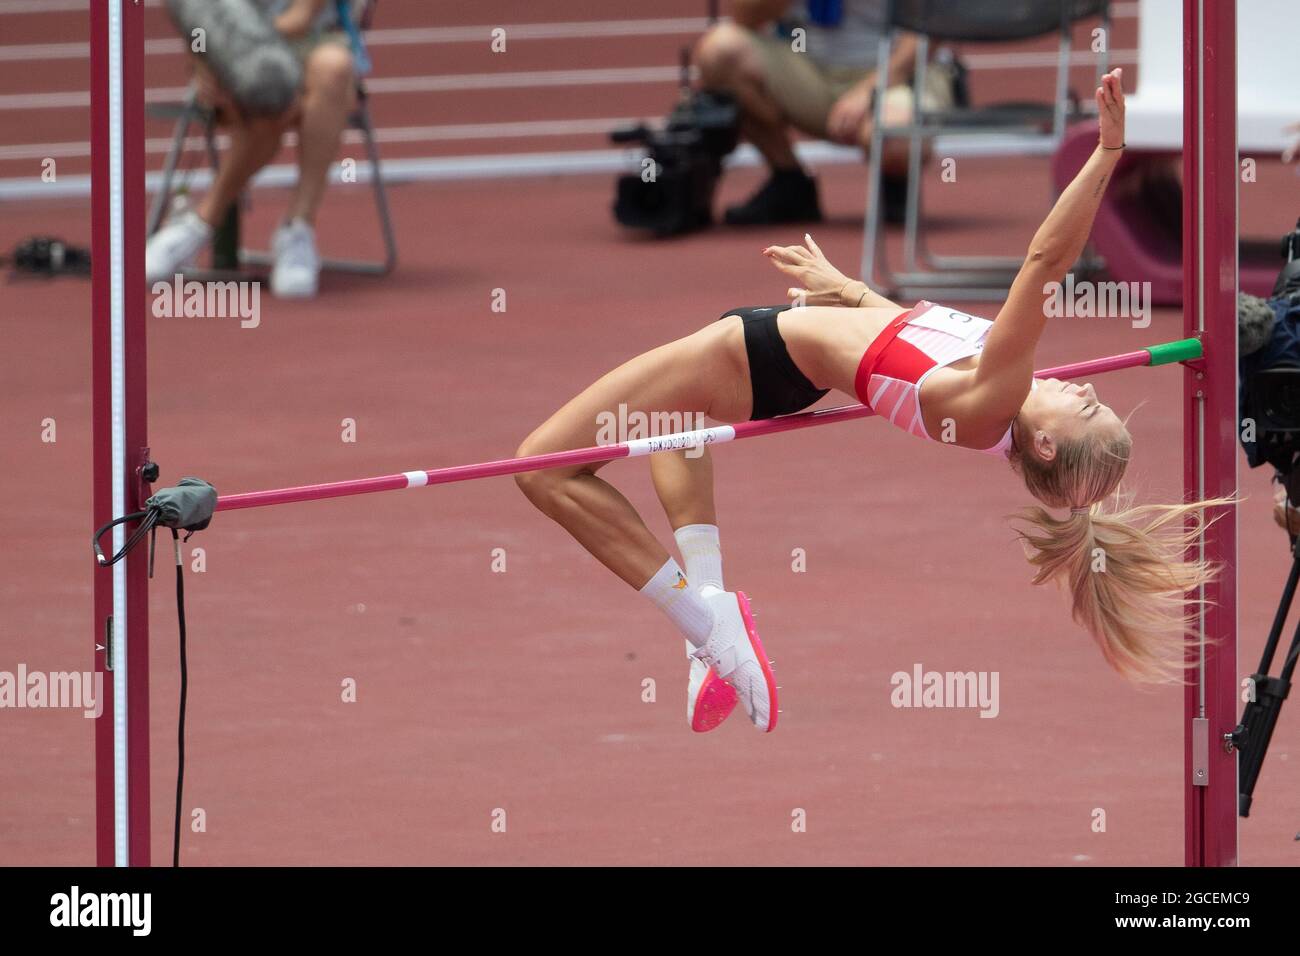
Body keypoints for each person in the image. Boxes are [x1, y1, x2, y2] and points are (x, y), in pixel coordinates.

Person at [514, 69, 1219, 734]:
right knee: (677, 427)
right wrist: (847, 289)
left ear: (1045, 443)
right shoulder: (989, 393)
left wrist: (1108, 152)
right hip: (774, 350)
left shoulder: (995, 399)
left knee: (542, 468)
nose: (1090, 389)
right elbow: (902, 343)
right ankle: (710, 616)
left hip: (755, 355)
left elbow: (1044, 262)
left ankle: (707, 628)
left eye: (1089, 411)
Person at [145, 0, 358, 297]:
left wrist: (232, 48)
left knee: (332, 68)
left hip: (307, 43)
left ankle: (295, 228)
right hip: (239, 51)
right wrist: (203, 59)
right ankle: (195, 227)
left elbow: (300, 19)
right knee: (273, 99)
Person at [693, 0, 955, 226]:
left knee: (895, 137)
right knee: (719, 51)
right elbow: (744, 17)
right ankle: (789, 181)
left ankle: (896, 182)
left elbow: (932, 22)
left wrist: (871, 89)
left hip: (897, 75)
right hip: (810, 71)